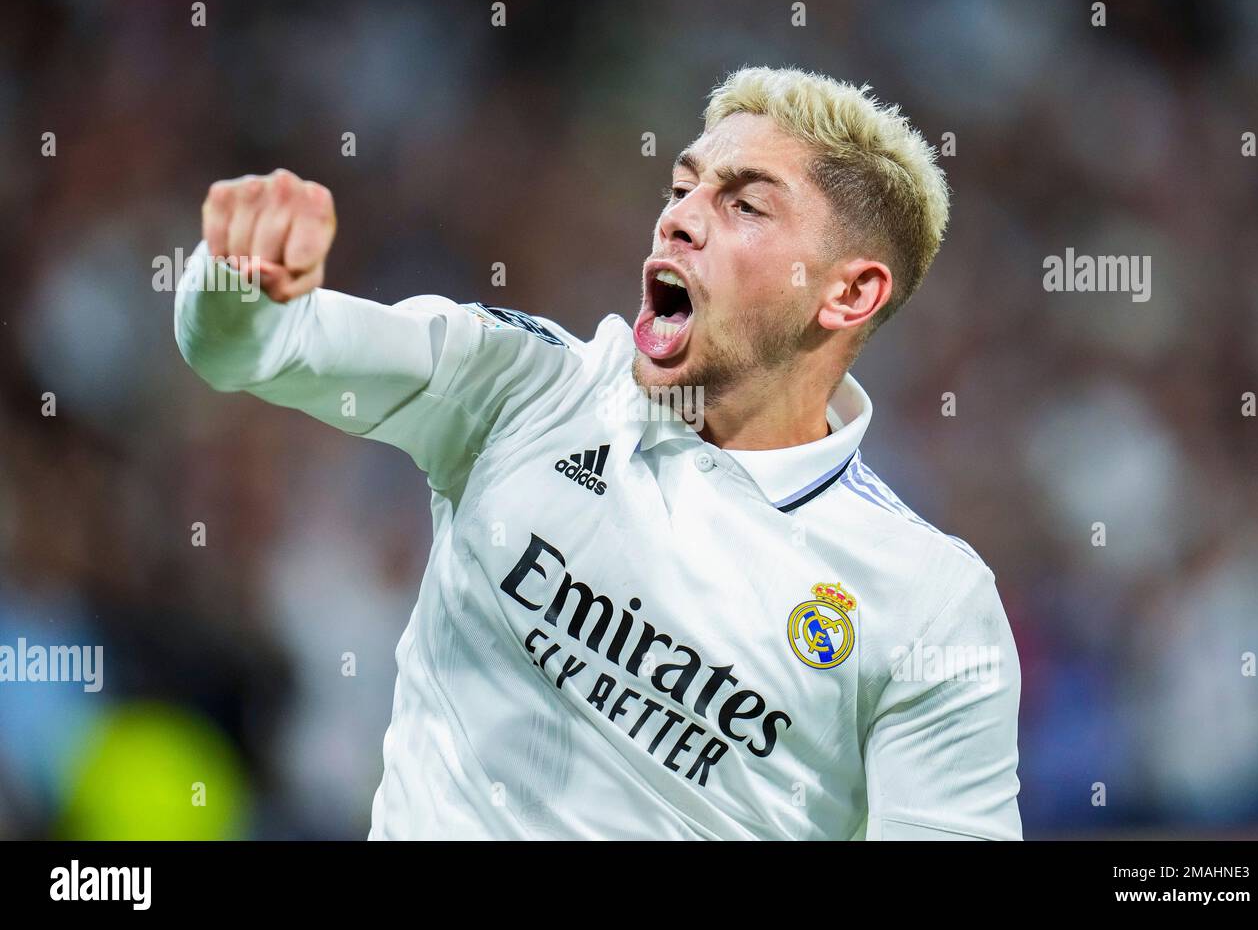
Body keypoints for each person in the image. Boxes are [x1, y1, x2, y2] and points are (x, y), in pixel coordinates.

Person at [174, 66, 1022, 840]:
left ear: (849, 292)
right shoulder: (526, 387)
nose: (680, 218)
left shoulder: (926, 604)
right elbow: (254, 349)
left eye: (745, 205)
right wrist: (239, 282)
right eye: (683, 186)